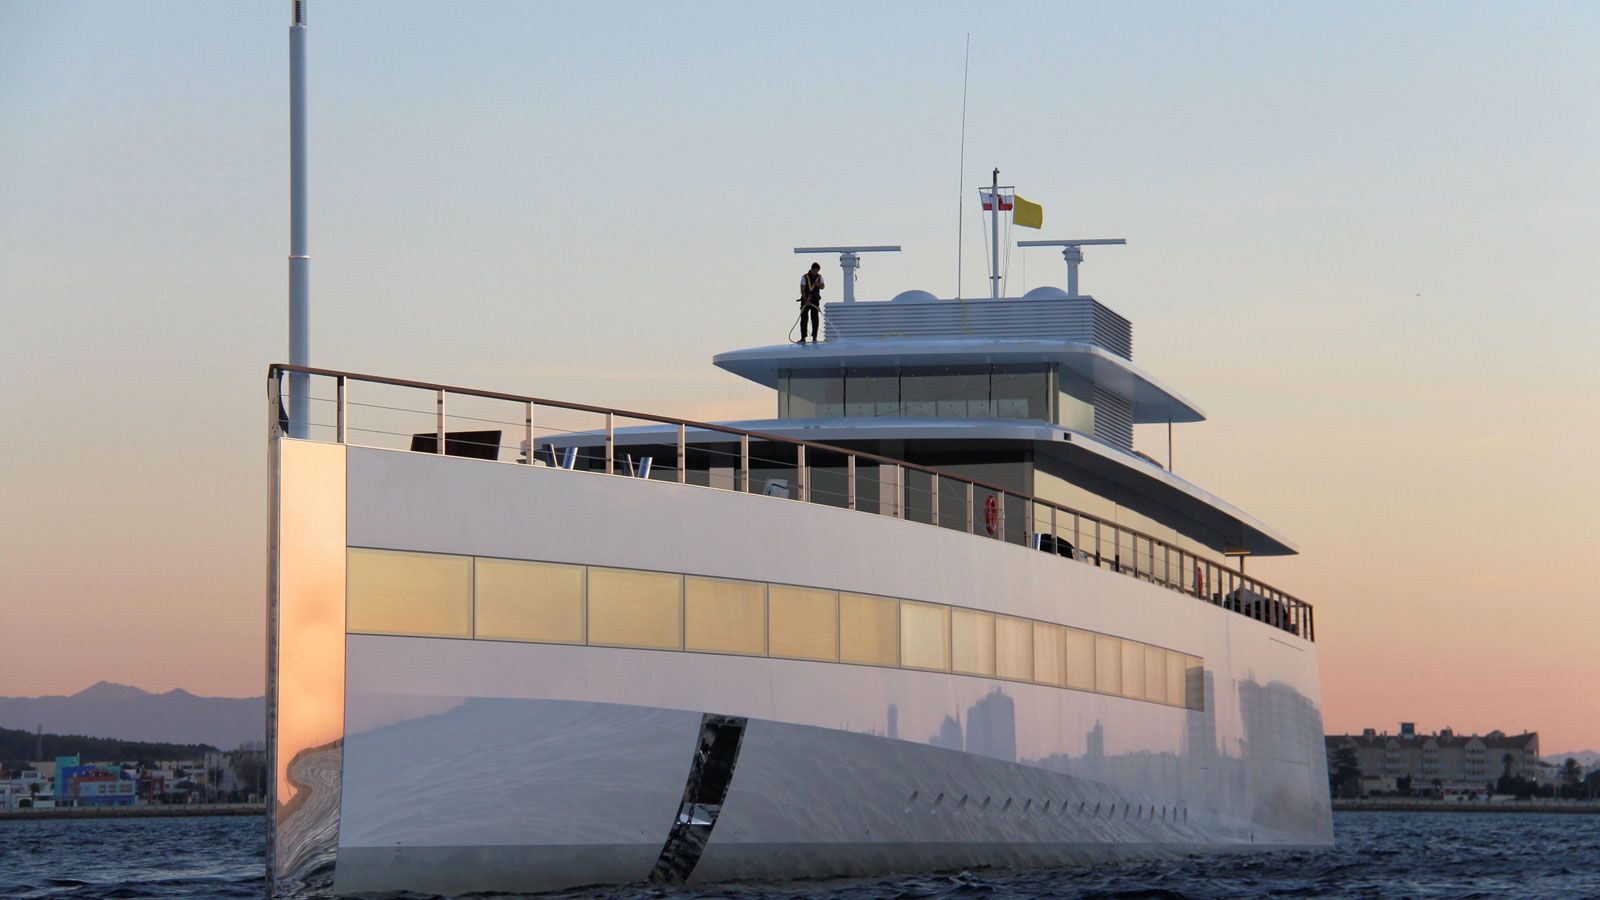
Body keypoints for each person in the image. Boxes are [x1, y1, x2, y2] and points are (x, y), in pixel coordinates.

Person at [797, 262, 824, 343]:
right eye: (815, 271)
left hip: (815, 301)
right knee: (804, 319)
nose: (816, 272)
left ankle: (814, 337)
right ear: (812, 269)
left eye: (817, 271)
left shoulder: (819, 277)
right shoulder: (804, 277)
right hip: (805, 301)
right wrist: (805, 300)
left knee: (815, 319)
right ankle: (803, 337)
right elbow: (802, 289)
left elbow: (823, 286)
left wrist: (818, 284)